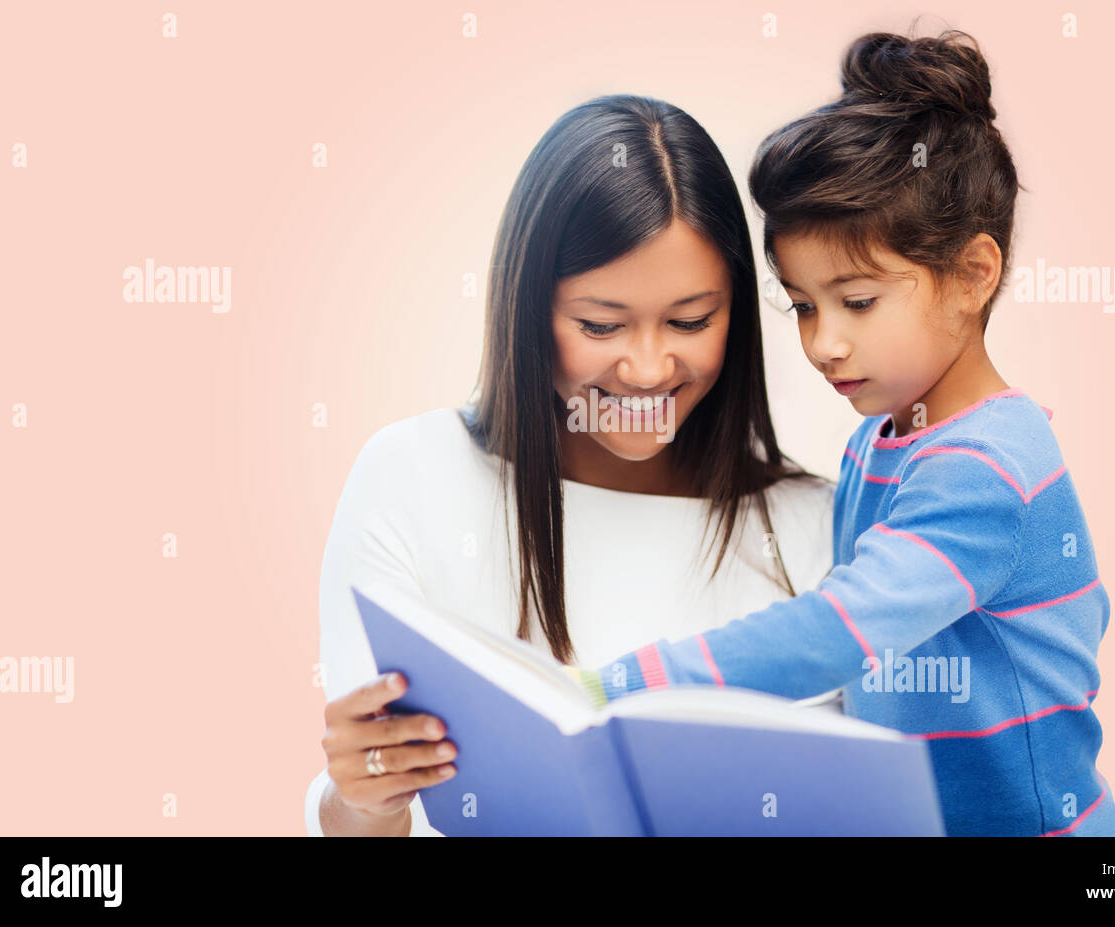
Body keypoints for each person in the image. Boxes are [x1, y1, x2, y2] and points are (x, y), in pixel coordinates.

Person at [573, 30, 1115, 837]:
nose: (824, 341)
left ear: (973, 274)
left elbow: (839, 631)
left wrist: (619, 688)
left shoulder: (990, 464)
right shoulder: (881, 442)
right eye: (801, 304)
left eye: (857, 301)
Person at [307, 95, 837, 836]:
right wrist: (363, 800)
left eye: (690, 320)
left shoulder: (820, 526)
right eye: (600, 324)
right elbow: (370, 812)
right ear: (528, 309)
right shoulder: (411, 477)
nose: (649, 368)